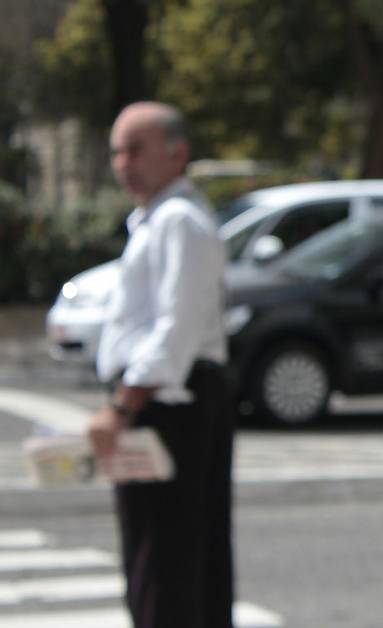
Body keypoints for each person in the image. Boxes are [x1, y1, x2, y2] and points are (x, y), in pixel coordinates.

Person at [87, 101, 233, 628]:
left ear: (178, 154)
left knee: (165, 565)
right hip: (166, 402)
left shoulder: (179, 221)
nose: (123, 163)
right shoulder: (158, 219)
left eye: (136, 150)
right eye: (117, 152)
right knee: (169, 559)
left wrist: (123, 407)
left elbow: (176, 330)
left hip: (171, 405)